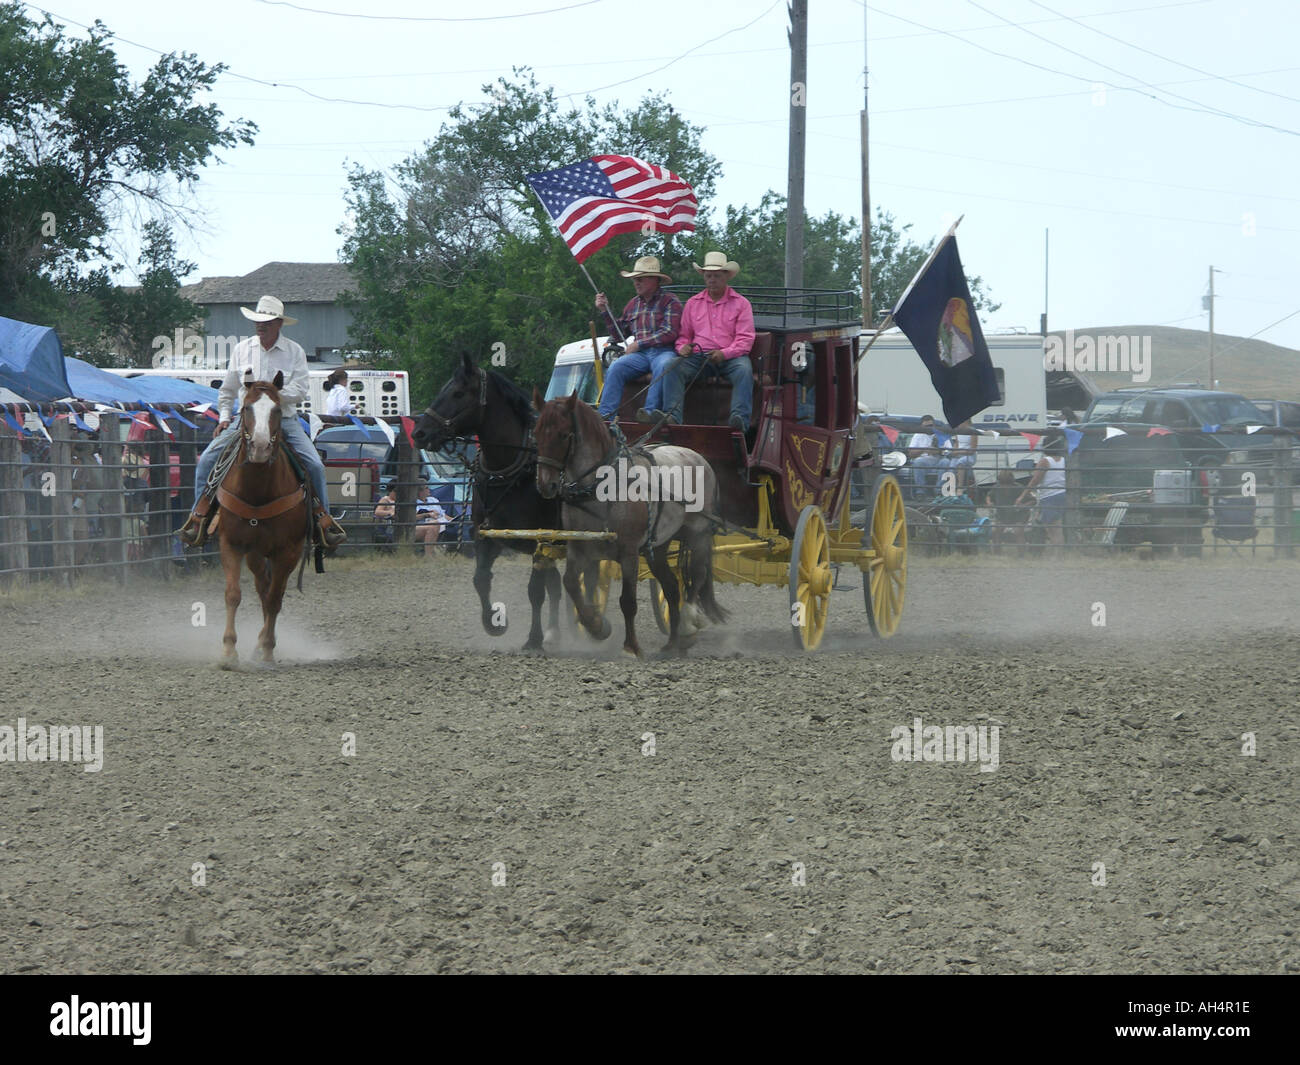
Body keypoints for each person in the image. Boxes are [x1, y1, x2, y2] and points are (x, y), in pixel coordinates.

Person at [178, 295, 345, 549]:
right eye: (258, 320)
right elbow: (227, 390)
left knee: (314, 465)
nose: (261, 325)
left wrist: (271, 396)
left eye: (266, 321)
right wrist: (224, 418)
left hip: (284, 420)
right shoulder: (242, 350)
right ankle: (199, 518)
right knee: (207, 460)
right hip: (246, 422)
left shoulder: (294, 352)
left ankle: (323, 523)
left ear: (279, 323)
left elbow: (300, 390)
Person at [664, 251, 755, 433]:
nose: (712, 279)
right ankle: (672, 417)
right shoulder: (692, 303)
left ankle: (739, 421)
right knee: (672, 366)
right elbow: (684, 335)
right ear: (704, 277)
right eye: (708, 276)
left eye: (716, 275)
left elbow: (745, 340)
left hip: (731, 357)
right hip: (699, 356)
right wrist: (683, 348)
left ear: (726, 277)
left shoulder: (741, 303)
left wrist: (725, 353)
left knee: (744, 370)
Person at [594, 256, 682, 424]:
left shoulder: (670, 301)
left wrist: (640, 343)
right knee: (616, 367)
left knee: (665, 366)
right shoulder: (633, 304)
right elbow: (620, 334)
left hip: (664, 352)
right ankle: (605, 416)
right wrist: (605, 311)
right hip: (640, 356)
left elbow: (670, 332)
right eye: (635, 279)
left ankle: (649, 414)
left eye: (640, 279)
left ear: (655, 280)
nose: (636, 283)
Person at [1017, 433, 1067, 547]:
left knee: (1053, 529)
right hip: (1062, 494)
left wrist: (1022, 496)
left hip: (1050, 496)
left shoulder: (1045, 461)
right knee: (1057, 527)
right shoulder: (1064, 460)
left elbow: (1035, 481)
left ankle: (1058, 556)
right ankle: (1061, 554)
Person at [983, 468, 1028, 546]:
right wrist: (989, 503)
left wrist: (1023, 505)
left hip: (1019, 515)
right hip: (1002, 515)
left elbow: (1033, 501)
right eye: (1002, 484)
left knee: (1018, 531)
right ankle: (997, 554)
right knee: (995, 531)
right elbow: (989, 496)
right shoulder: (996, 487)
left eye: (1007, 484)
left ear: (1012, 482)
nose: (1005, 486)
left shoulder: (1019, 488)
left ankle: (1021, 556)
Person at [907, 415, 944, 498]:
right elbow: (911, 453)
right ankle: (920, 492)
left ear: (934, 425)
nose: (928, 428)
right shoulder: (917, 435)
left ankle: (939, 491)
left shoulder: (940, 434)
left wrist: (938, 451)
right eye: (926, 426)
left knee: (946, 462)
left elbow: (949, 451)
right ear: (922, 426)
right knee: (918, 462)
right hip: (924, 461)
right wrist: (924, 449)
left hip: (939, 459)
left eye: (930, 426)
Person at [412, 476, 449, 558]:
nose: (429, 489)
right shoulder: (413, 503)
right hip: (421, 525)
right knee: (435, 525)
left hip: (441, 523)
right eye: (426, 488)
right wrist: (427, 514)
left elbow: (443, 515)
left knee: (441, 524)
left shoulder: (433, 500)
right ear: (419, 491)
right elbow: (412, 517)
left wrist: (453, 519)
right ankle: (429, 555)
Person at [941, 420, 978, 490]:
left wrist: (958, 452)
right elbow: (957, 444)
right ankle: (950, 488)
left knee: (960, 462)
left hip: (969, 456)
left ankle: (960, 486)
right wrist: (953, 451)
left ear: (965, 422)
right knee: (951, 466)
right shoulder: (958, 431)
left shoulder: (973, 432)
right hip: (959, 454)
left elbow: (972, 450)